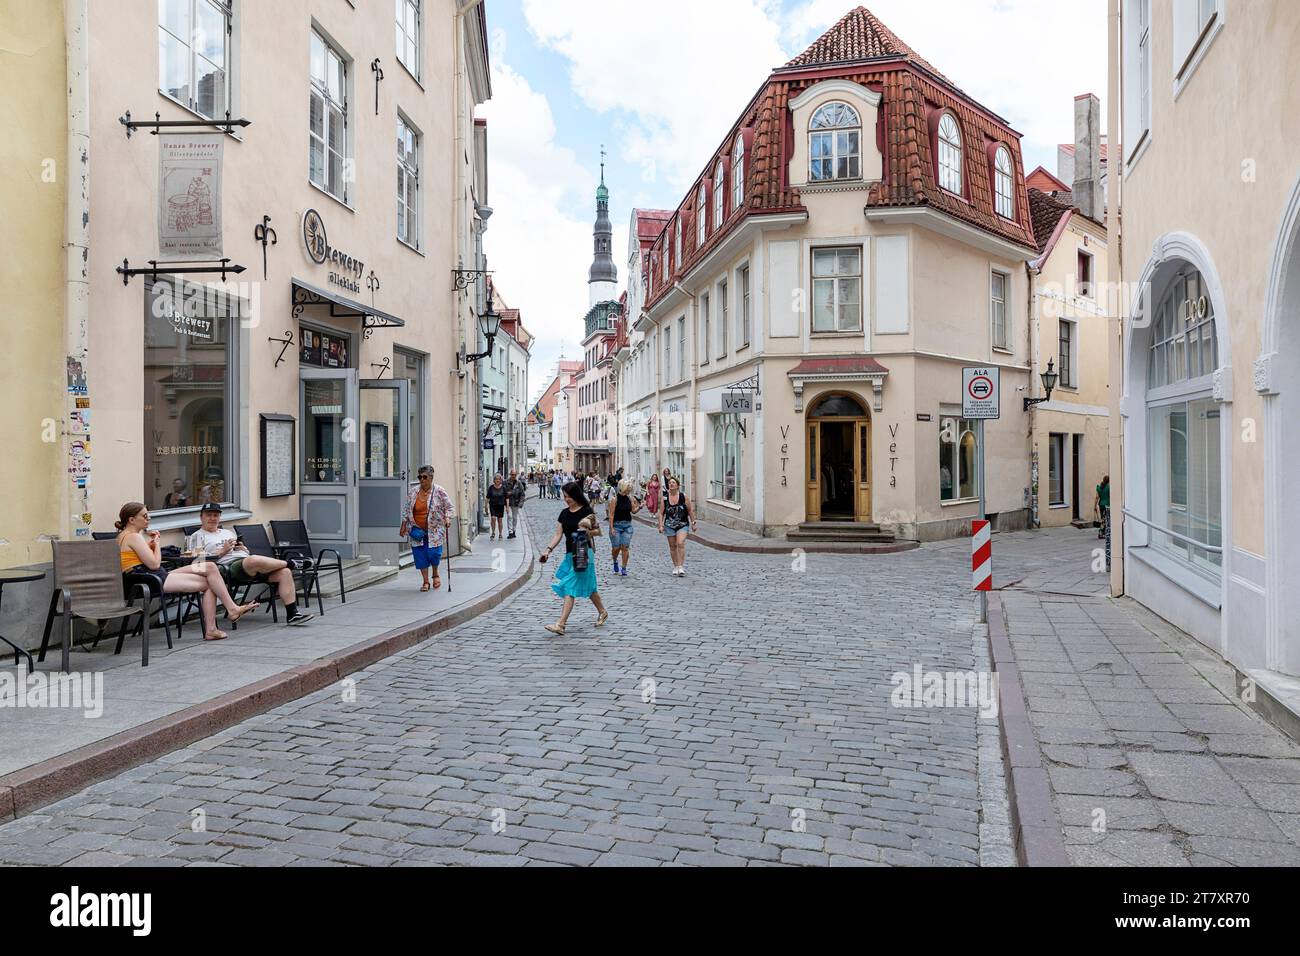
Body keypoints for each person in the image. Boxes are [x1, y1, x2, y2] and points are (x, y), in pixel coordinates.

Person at [115, 502, 257, 641]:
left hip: (150, 576)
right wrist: (156, 544)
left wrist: (152, 544)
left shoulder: (125, 536)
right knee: (210, 579)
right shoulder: (133, 536)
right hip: (149, 579)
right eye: (145, 516)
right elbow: (154, 564)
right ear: (132, 520)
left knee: (209, 568)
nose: (149, 518)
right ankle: (216, 624)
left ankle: (228, 613)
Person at [187, 503, 314, 625]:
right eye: (209, 515)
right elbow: (198, 563)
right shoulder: (196, 536)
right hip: (227, 568)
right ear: (201, 517)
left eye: (216, 515)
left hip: (247, 564)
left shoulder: (227, 533)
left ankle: (292, 614)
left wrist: (242, 549)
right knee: (253, 560)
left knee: (284, 573)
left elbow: (246, 553)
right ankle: (291, 563)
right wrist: (222, 551)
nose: (212, 518)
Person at [539, 481, 608, 635]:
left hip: (584, 554)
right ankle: (603, 611)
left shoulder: (586, 511)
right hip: (570, 554)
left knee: (569, 585)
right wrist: (548, 550)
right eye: (565, 496)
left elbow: (598, 531)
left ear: (576, 495)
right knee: (590, 588)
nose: (567, 499)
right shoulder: (563, 513)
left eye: (569, 496)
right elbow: (558, 535)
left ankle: (561, 624)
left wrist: (586, 532)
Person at [401, 466, 455, 591]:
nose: (422, 480)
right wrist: (403, 525)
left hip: (434, 530)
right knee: (420, 556)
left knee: (434, 554)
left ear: (431, 477)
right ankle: (425, 582)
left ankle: (435, 574)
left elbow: (449, 507)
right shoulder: (413, 492)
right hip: (417, 530)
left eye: (424, 477)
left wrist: (447, 518)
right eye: (420, 477)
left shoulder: (439, 491)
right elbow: (406, 509)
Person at [657, 476, 696, 577]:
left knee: (680, 543)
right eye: (670, 483)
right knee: (672, 546)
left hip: (682, 524)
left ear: (677, 485)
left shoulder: (683, 496)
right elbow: (661, 513)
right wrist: (660, 525)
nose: (671, 484)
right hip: (669, 525)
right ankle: (675, 566)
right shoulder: (665, 498)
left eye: (673, 482)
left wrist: (693, 523)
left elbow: (690, 511)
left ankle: (681, 566)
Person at [607, 478, 642, 576]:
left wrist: (640, 507)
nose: (629, 490)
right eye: (628, 488)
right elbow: (611, 514)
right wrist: (611, 527)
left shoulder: (630, 498)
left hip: (627, 526)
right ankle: (615, 561)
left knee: (625, 547)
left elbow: (633, 511)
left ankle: (624, 568)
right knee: (616, 548)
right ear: (623, 488)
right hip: (616, 526)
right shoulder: (615, 499)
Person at [485, 473, 508, 541]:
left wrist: (507, 507)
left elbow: (507, 498)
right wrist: (486, 506)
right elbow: (487, 497)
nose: (497, 480)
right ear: (494, 480)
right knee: (493, 518)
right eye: (496, 479)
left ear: (501, 480)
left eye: (499, 479)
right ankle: (493, 532)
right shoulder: (491, 488)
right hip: (493, 506)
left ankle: (500, 534)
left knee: (500, 520)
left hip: (500, 506)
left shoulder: (503, 488)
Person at [506, 469, 526, 539]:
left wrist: (521, 503)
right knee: (509, 517)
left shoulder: (519, 483)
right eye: (512, 474)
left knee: (514, 518)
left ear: (516, 475)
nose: (513, 476)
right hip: (508, 503)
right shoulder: (506, 482)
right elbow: (504, 492)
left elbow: (522, 494)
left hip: (516, 503)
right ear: (510, 474)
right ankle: (510, 532)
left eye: (514, 475)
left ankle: (514, 530)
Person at [1095, 475, 1111, 541]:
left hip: (1101, 504)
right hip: (1107, 505)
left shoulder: (1099, 488)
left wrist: (1095, 506)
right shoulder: (1109, 487)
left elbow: (1096, 498)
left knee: (1103, 518)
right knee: (1106, 519)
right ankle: (1101, 532)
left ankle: (1103, 532)